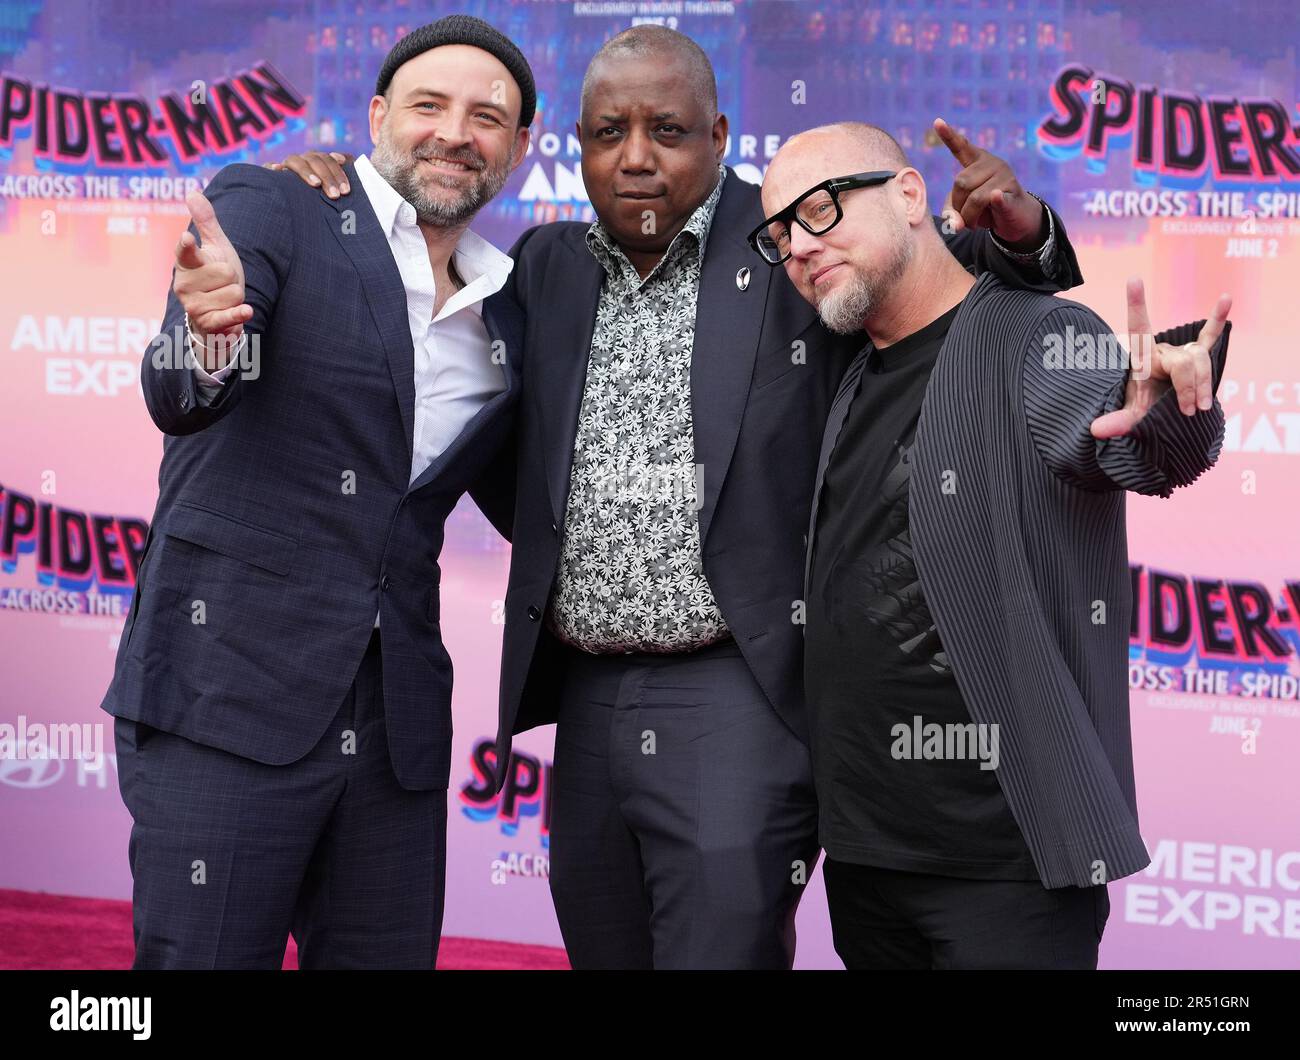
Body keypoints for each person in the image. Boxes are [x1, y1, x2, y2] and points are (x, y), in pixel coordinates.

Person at [277, 25, 1079, 969]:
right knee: (602, 942)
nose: (637, 157)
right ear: (575, 145)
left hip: (736, 684)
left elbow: (930, 289)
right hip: (583, 692)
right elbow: (466, 391)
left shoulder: (790, 242)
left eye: (668, 128)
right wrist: (334, 191)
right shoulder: (542, 269)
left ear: (720, 134)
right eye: (609, 131)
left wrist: (1025, 237)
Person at [99, 15, 533, 969]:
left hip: (397, 736)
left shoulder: (510, 305)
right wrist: (211, 333)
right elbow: (180, 386)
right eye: (429, 105)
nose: (456, 131)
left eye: (487, 116)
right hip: (227, 695)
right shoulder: (276, 205)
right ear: (379, 115)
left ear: (520, 145)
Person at [754, 121, 1232, 969]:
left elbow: (1125, 440)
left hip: (1008, 867)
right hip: (865, 856)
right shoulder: (847, 362)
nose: (800, 244)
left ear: (909, 197)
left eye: (821, 209)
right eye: (781, 232)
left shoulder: (1037, 338)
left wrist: (1167, 409)